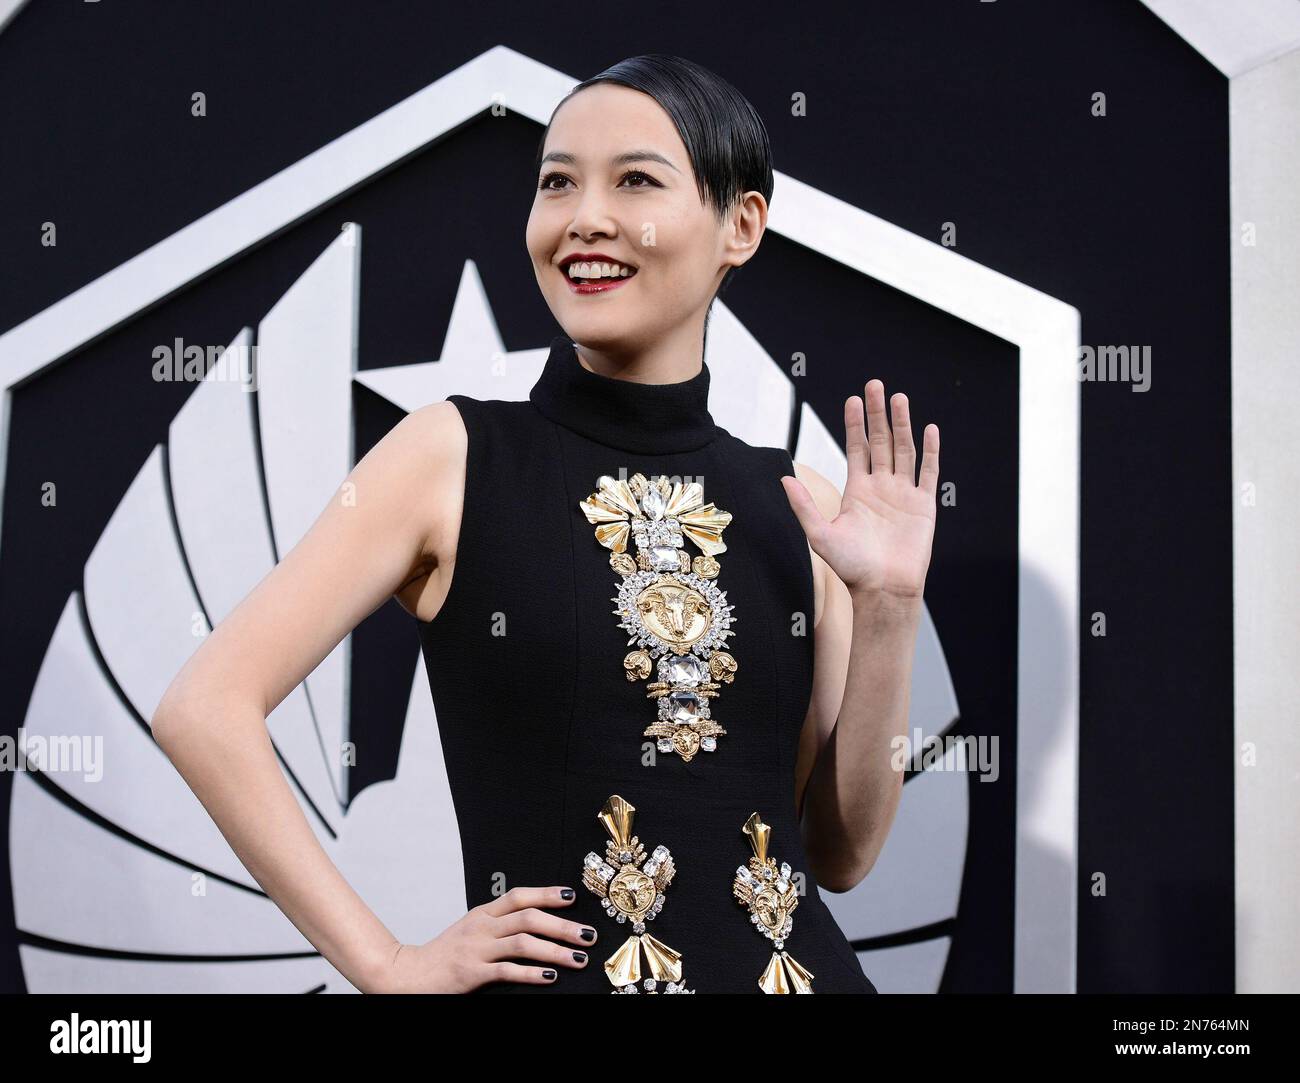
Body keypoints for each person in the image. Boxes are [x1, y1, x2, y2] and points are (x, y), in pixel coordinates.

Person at [152, 54, 939, 994]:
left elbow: (840, 854)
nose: (585, 217)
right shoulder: (451, 456)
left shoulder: (801, 502)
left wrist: (888, 604)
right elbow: (204, 708)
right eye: (556, 181)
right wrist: (387, 963)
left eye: (636, 180)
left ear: (740, 224)